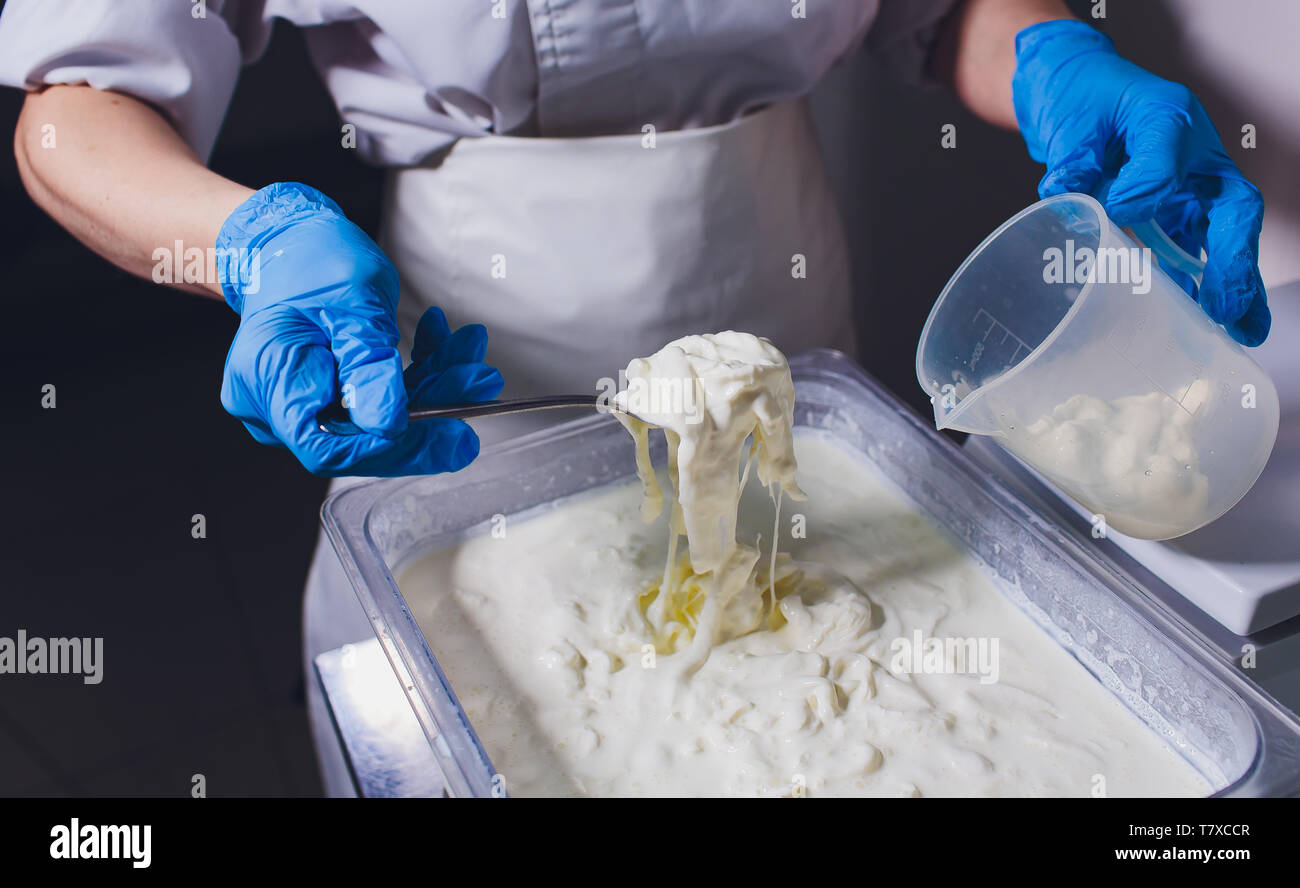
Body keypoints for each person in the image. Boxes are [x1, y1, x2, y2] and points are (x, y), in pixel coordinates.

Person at [0, 0, 1269, 795]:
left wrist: (1048, 47)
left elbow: (936, 14)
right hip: (470, 343)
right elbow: (81, 105)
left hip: (786, 315)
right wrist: (248, 241)